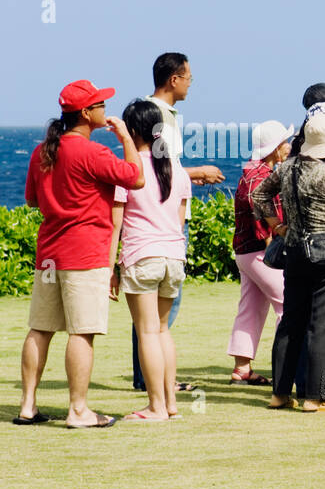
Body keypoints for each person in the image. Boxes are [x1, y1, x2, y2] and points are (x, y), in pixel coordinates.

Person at [17, 80, 143, 428]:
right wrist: (126, 139)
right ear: (87, 113)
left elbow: (31, 199)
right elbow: (136, 177)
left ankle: (28, 405)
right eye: (101, 104)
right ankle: (78, 410)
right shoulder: (93, 153)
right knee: (81, 331)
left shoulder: (42, 151)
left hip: (49, 253)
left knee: (40, 329)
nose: (106, 109)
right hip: (84, 254)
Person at [129, 52, 224, 393]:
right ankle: (150, 379)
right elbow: (153, 167)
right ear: (174, 79)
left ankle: (152, 376)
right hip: (161, 224)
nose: (190, 83)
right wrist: (195, 173)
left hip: (158, 221)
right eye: (188, 77)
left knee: (153, 307)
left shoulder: (162, 115)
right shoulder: (158, 117)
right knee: (158, 311)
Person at [254, 114, 325, 412]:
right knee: (321, 324)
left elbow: (259, 194)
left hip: (295, 249)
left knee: (291, 321)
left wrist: (277, 225)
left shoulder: (286, 168)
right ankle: (317, 396)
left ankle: (280, 392)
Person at [108, 99, 192, 422]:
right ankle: (170, 403)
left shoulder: (129, 170)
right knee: (161, 331)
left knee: (145, 333)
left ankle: (155, 406)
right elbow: (180, 219)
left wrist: (111, 269)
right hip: (174, 256)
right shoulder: (177, 168)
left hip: (142, 256)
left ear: (131, 132)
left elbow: (116, 226)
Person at [227, 120, 293, 385]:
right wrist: (275, 235)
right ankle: (286, 365)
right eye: (284, 143)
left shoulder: (250, 172)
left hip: (245, 251)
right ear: (274, 149)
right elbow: (264, 216)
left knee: (250, 307)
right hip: (260, 251)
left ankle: (242, 368)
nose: (288, 147)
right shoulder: (263, 177)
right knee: (287, 305)